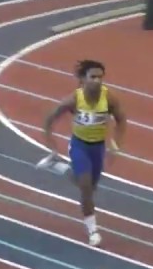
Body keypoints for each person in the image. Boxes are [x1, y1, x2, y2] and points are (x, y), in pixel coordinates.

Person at [42, 60, 128, 247]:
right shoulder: (74, 99)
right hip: (79, 146)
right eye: (92, 77)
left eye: (100, 77)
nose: (97, 81)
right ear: (83, 79)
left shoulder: (109, 98)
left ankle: (59, 167)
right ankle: (92, 230)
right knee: (86, 187)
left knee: (90, 185)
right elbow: (50, 119)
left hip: (98, 148)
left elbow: (122, 121)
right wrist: (52, 146)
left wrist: (115, 144)